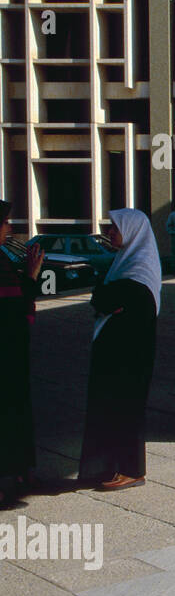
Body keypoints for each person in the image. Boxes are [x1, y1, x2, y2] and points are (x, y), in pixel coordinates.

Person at [78, 208, 161, 489]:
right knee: (111, 409)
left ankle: (131, 470)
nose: (109, 233)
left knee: (127, 410)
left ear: (133, 232)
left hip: (129, 359)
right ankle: (110, 467)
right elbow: (104, 300)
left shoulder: (137, 270)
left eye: (115, 228)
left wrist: (104, 297)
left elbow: (103, 299)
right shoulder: (125, 264)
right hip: (117, 356)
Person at [0, 200, 42, 502]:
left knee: (14, 409)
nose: (9, 228)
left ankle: (19, 469)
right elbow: (12, 307)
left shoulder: (2, 260)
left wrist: (29, 275)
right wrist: (30, 278)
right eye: (4, 223)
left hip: (11, 353)